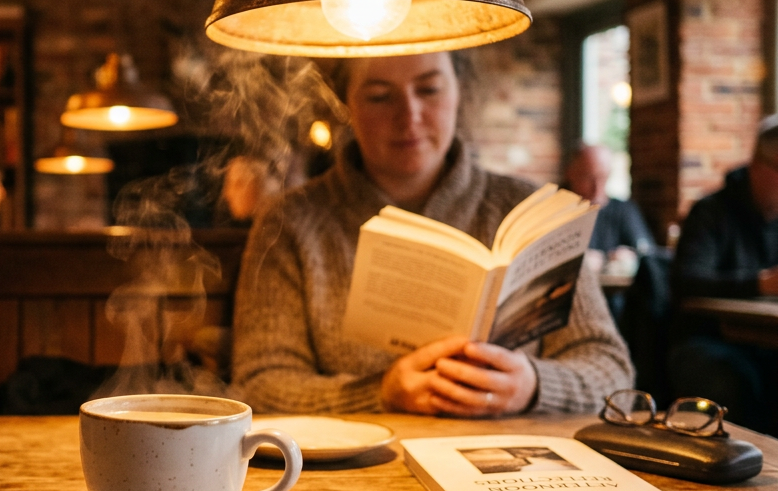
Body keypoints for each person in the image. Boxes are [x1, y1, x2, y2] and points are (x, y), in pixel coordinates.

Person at [232, 52, 633, 416]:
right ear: (345, 105)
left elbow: (611, 370)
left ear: (460, 91)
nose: (409, 116)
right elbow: (260, 384)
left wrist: (533, 385)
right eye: (378, 96)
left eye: (429, 89)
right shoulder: (289, 222)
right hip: (354, 479)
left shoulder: (531, 212)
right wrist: (379, 393)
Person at [668, 114, 778, 435]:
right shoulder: (711, 212)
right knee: (736, 379)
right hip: (710, 335)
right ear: (760, 168)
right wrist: (760, 283)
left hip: (767, 340)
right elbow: (686, 280)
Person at [564, 142, 655, 272]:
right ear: (570, 173)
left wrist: (630, 256)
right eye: (589, 178)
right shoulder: (555, 212)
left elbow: (647, 252)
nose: (597, 188)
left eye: (603, 177)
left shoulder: (624, 210)